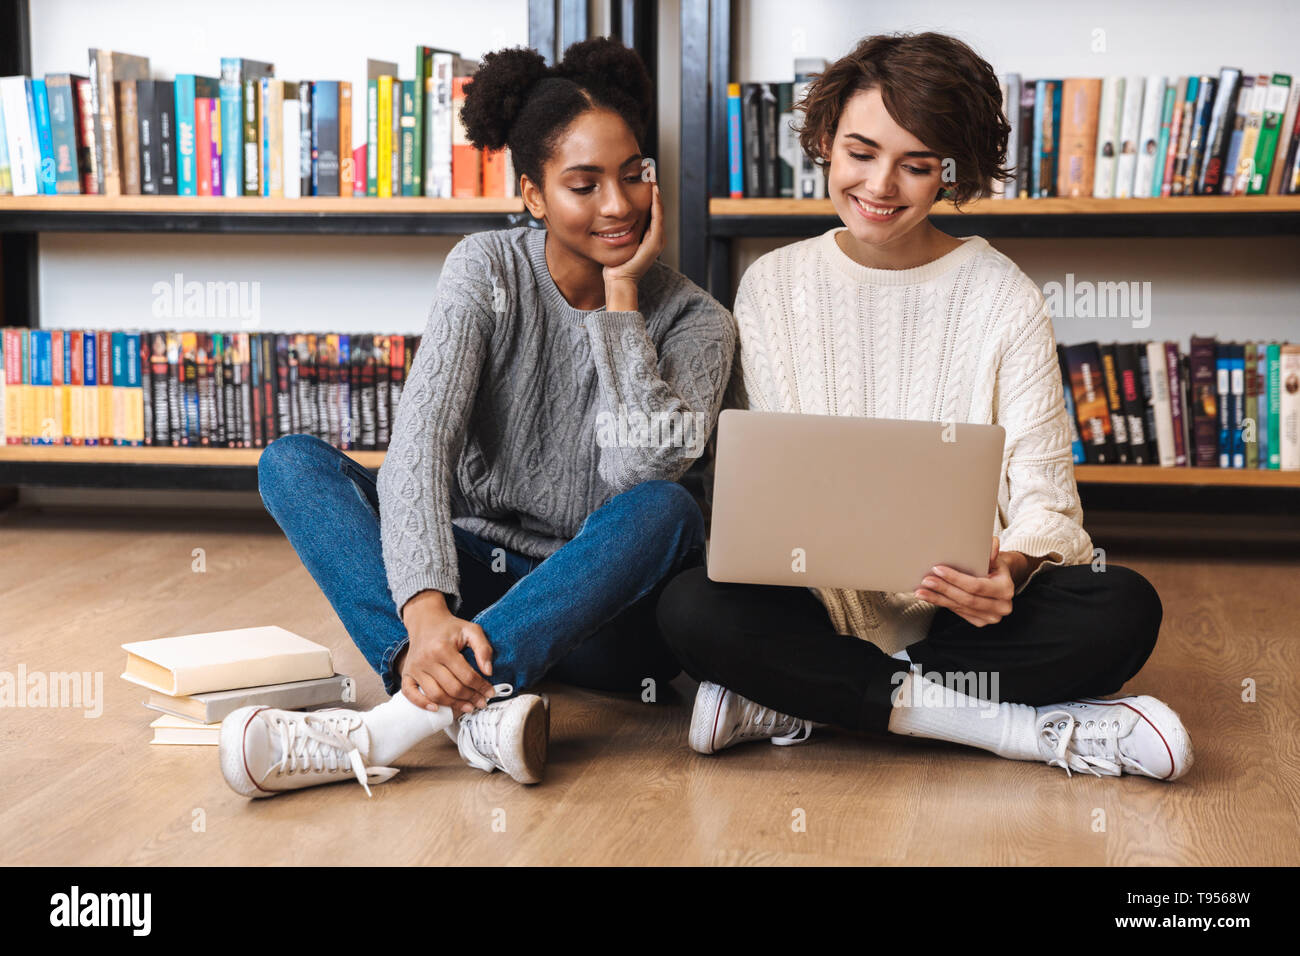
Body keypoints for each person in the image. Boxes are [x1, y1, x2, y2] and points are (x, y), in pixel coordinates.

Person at [656, 32, 1192, 782]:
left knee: (1124, 608)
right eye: (861, 152)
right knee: (689, 608)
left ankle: (802, 697)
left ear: (951, 170)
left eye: (917, 164)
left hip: (958, 622)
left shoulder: (1005, 296)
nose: (881, 185)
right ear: (823, 142)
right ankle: (1011, 731)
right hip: (813, 604)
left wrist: (1009, 568)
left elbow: (1048, 504)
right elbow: (759, 486)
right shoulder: (771, 286)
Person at [223, 37, 736, 798]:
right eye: (584, 184)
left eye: (634, 177)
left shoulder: (699, 320)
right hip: (473, 584)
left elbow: (639, 474)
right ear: (532, 194)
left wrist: (622, 299)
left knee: (667, 507)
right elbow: (422, 448)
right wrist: (428, 612)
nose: (619, 205)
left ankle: (391, 726)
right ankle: (472, 705)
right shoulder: (487, 267)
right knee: (291, 463)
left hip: (603, 609)